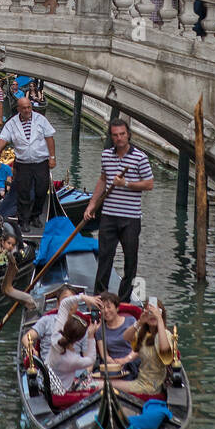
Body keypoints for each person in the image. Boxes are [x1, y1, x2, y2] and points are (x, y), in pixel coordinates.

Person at [83, 118, 153, 304]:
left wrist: (126, 184)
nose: (119, 138)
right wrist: (91, 204)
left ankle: (123, 300)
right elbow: (103, 180)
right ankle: (100, 297)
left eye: (122, 134)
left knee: (130, 261)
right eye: (115, 135)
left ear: (128, 134)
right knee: (105, 257)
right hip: (109, 215)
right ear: (111, 137)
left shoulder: (140, 157)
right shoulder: (106, 155)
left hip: (131, 218)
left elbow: (149, 184)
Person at [0, 95, 56, 229]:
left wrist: (52, 157)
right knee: (24, 193)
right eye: (24, 108)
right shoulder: (12, 123)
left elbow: (49, 138)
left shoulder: (41, 119)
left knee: (41, 190)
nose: (28, 110)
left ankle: (35, 215)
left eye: (29, 107)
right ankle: (24, 221)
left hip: (41, 162)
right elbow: (3, 137)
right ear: (18, 109)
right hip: (23, 163)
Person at [114, 299, 173, 397]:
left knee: (104, 384)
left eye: (157, 312)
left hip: (150, 386)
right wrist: (140, 322)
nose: (153, 315)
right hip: (140, 380)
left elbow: (166, 358)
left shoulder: (164, 335)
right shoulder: (144, 334)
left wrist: (159, 320)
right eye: (150, 312)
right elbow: (126, 337)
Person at [20, 287, 82, 361]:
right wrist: (31, 350)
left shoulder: (81, 325)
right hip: (49, 368)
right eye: (66, 300)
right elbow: (26, 338)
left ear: (77, 305)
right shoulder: (47, 321)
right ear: (58, 304)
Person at [47, 306, 99, 393]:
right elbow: (91, 360)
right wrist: (91, 335)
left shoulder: (54, 340)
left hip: (49, 382)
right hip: (63, 390)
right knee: (101, 384)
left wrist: (82, 298)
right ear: (80, 339)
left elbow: (64, 304)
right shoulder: (73, 359)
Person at [93, 290, 140, 377]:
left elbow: (138, 347)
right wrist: (114, 363)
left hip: (131, 361)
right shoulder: (100, 330)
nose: (106, 311)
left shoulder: (131, 321)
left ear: (117, 308)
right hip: (111, 364)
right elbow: (104, 355)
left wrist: (125, 360)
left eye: (109, 307)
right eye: (102, 308)